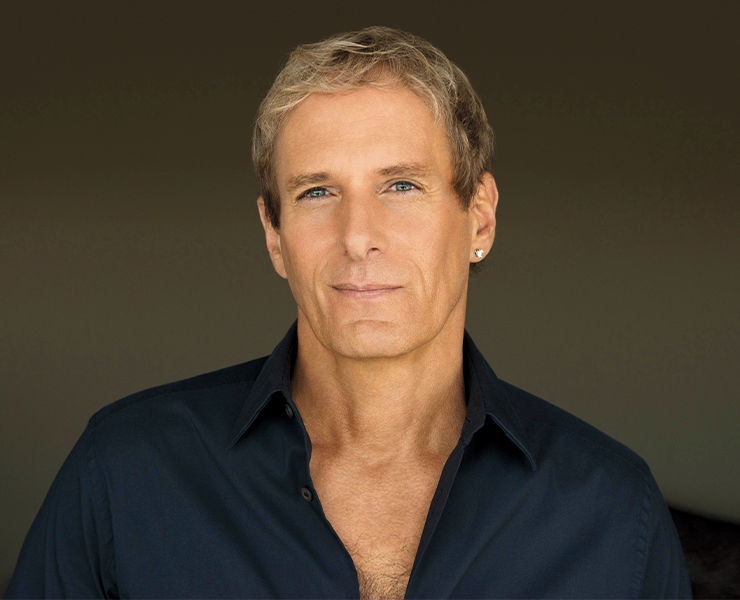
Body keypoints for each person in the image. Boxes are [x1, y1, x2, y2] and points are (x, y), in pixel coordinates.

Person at [6, 27, 691, 599]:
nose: (358, 236)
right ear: (274, 235)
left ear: (479, 217)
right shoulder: (125, 473)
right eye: (317, 192)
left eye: (401, 185)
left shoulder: (610, 509)